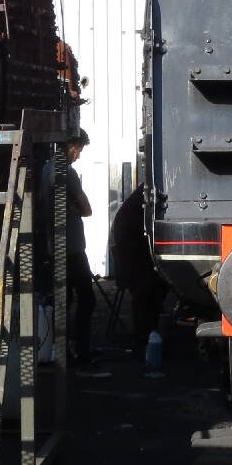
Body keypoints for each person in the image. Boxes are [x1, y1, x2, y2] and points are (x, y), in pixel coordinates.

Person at [63, 130, 109, 379]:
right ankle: (81, 352)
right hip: (72, 250)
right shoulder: (67, 173)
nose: (79, 155)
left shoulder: (49, 170)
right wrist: (76, 207)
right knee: (86, 299)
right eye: (78, 149)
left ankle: (69, 351)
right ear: (70, 145)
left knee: (66, 300)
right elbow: (88, 209)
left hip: (65, 248)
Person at [110, 186, 168, 366]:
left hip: (134, 247)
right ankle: (144, 339)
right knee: (146, 291)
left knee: (150, 290)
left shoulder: (143, 197)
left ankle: (147, 335)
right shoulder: (148, 196)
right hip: (133, 250)